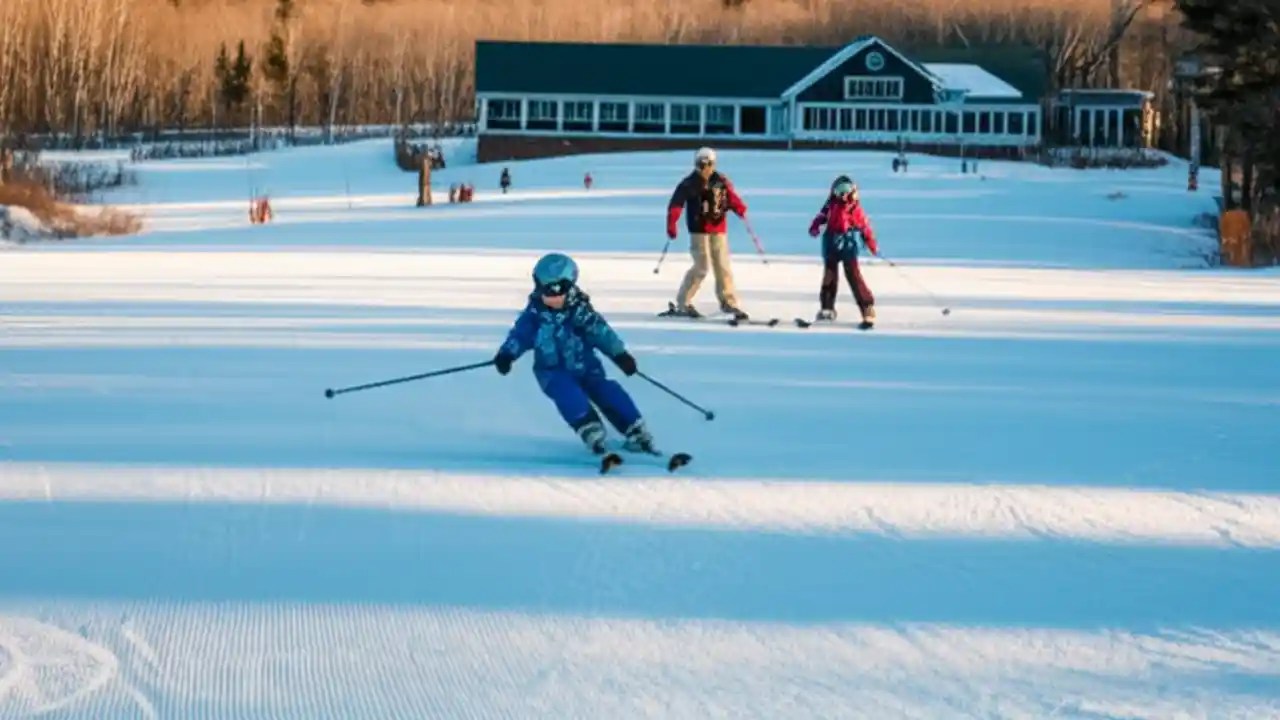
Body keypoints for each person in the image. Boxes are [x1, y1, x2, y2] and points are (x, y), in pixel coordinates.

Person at [493, 252, 658, 455]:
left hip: (586, 366)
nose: (551, 297)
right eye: (545, 291)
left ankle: (635, 429)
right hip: (552, 371)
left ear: (570, 287)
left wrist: (620, 355)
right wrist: (507, 355)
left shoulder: (582, 313)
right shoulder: (534, 316)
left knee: (607, 391)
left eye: (557, 291)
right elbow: (519, 336)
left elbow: (602, 334)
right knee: (568, 394)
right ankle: (591, 429)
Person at [662, 146, 749, 320]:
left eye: (708, 164)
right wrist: (672, 223)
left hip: (718, 229)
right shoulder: (689, 183)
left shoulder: (720, 181)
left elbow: (730, 197)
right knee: (702, 266)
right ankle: (683, 302)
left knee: (722, 266)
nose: (704, 168)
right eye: (701, 164)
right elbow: (676, 204)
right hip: (699, 230)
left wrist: (739, 208)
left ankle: (728, 302)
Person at [807, 175, 880, 328]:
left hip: (848, 244)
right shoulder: (830, 205)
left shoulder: (855, 208)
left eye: (846, 190)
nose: (842, 194)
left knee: (854, 275)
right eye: (839, 190)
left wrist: (871, 244)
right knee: (829, 276)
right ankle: (827, 308)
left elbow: (865, 228)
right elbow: (820, 217)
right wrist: (815, 227)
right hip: (831, 243)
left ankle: (867, 307)